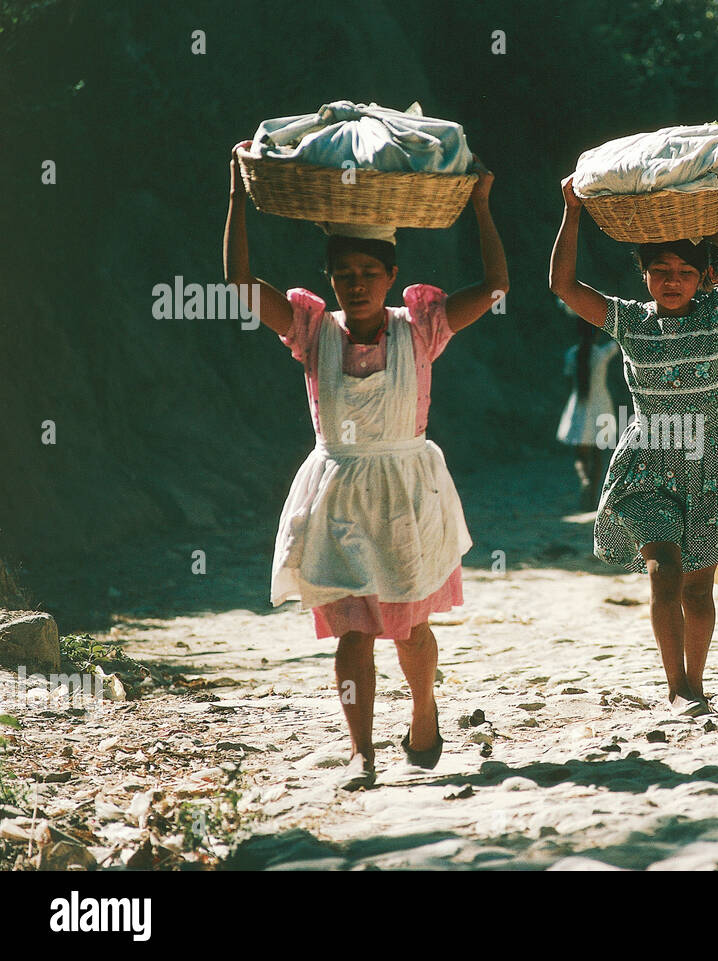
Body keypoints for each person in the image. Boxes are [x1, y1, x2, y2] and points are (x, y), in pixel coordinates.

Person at [224, 141, 508, 788]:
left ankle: (425, 708)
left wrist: (482, 204)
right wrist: (238, 195)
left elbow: (495, 286)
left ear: (391, 273)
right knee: (352, 633)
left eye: (369, 272)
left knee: (408, 627)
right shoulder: (312, 331)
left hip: (405, 491)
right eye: (344, 272)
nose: (356, 283)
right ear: (329, 279)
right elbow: (240, 285)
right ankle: (361, 751)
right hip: (338, 494)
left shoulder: (421, 328)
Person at [549, 175, 718, 714]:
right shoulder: (628, 320)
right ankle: (676, 687)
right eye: (661, 271)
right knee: (663, 573)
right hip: (648, 460)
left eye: (685, 272)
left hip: (708, 464)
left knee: (698, 591)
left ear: (702, 277)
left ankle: (695, 681)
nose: (672, 281)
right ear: (644, 274)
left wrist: (707, 223)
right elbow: (563, 286)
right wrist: (572, 212)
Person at [556, 314, 620, 511]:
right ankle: (593, 496)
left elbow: (568, 381)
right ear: (596, 334)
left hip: (579, 406)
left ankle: (584, 479)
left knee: (580, 456)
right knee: (599, 456)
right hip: (602, 407)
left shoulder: (572, 354)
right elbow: (617, 342)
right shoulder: (601, 354)